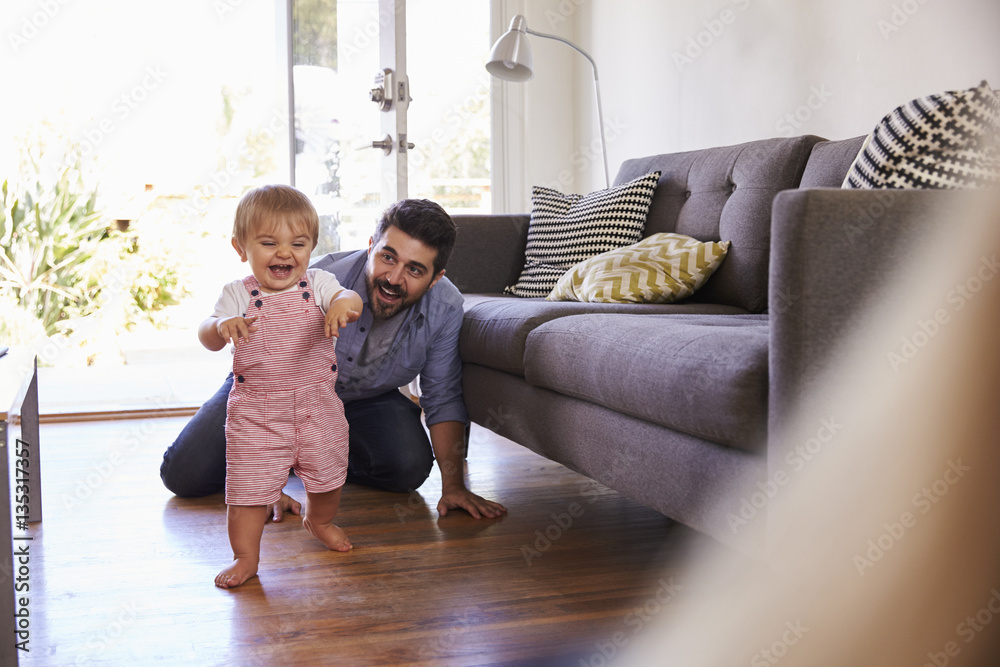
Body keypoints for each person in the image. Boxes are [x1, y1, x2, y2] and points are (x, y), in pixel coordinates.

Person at [160, 197, 506, 537]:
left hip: (368, 399)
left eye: (414, 269)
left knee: (408, 469)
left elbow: (443, 395)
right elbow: (233, 329)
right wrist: (265, 480)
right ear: (371, 246)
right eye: (388, 257)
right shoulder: (318, 277)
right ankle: (281, 459)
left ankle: (315, 459)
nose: (394, 278)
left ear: (435, 277)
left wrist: (454, 486)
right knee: (184, 474)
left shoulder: (445, 307)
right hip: (269, 393)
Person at [203, 184, 363, 589]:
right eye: (269, 242)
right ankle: (246, 557)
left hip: (317, 407)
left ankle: (319, 519)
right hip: (257, 413)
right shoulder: (238, 294)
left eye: (298, 243)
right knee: (247, 493)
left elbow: (350, 297)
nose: (284, 253)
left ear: (311, 247)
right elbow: (206, 332)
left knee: (328, 478)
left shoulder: (321, 284)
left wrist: (345, 303)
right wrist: (222, 328)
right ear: (241, 248)